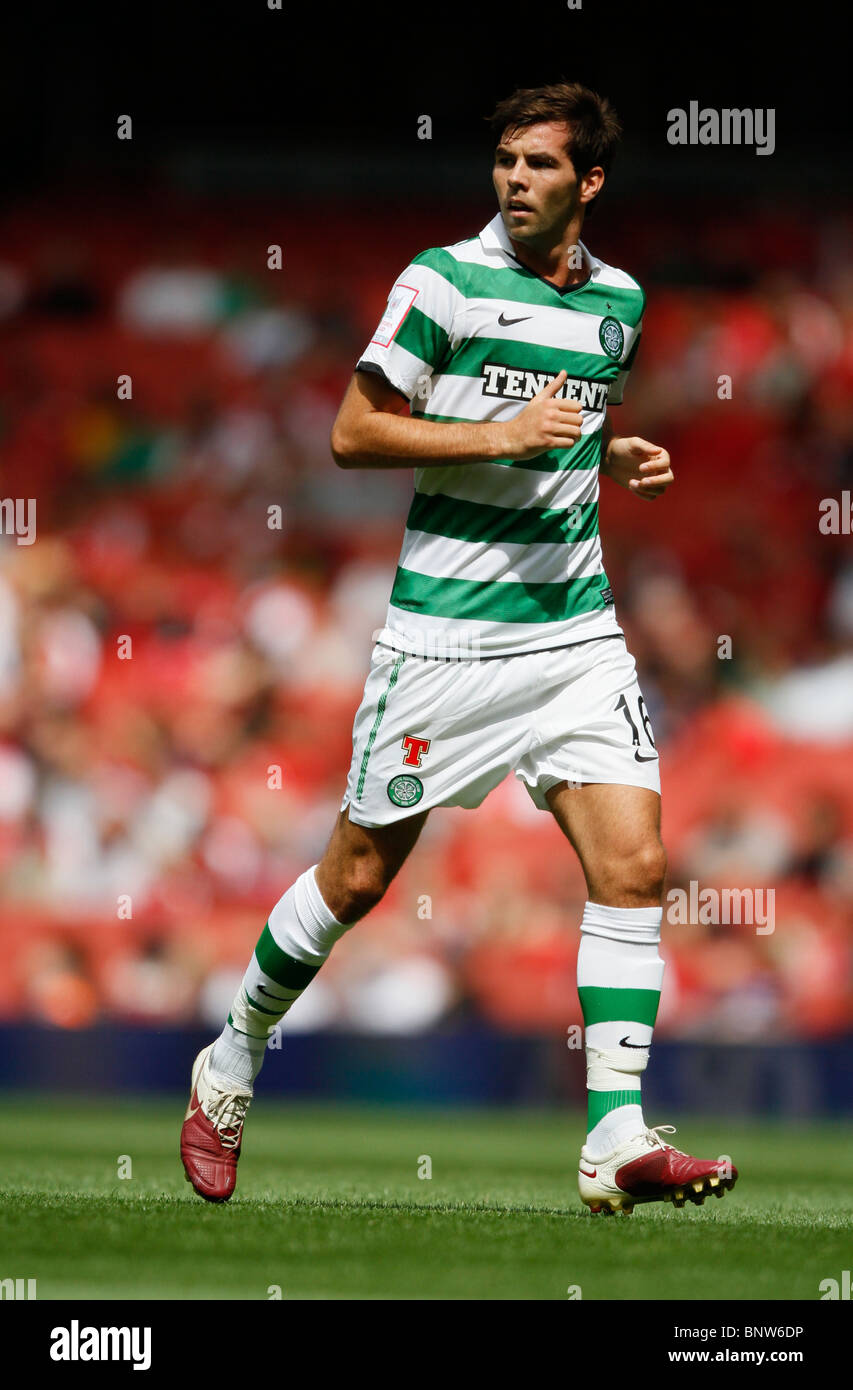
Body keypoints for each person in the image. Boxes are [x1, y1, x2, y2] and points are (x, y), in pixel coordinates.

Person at [181, 81, 738, 1215]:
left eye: (539, 165)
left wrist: (610, 451)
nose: (514, 180)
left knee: (634, 867)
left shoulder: (619, 301)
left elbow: (561, 419)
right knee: (357, 876)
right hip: (443, 642)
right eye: (504, 162)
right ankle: (232, 1055)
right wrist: (496, 432)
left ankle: (613, 1137)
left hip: (575, 635)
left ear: (589, 182)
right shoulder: (440, 279)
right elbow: (351, 433)